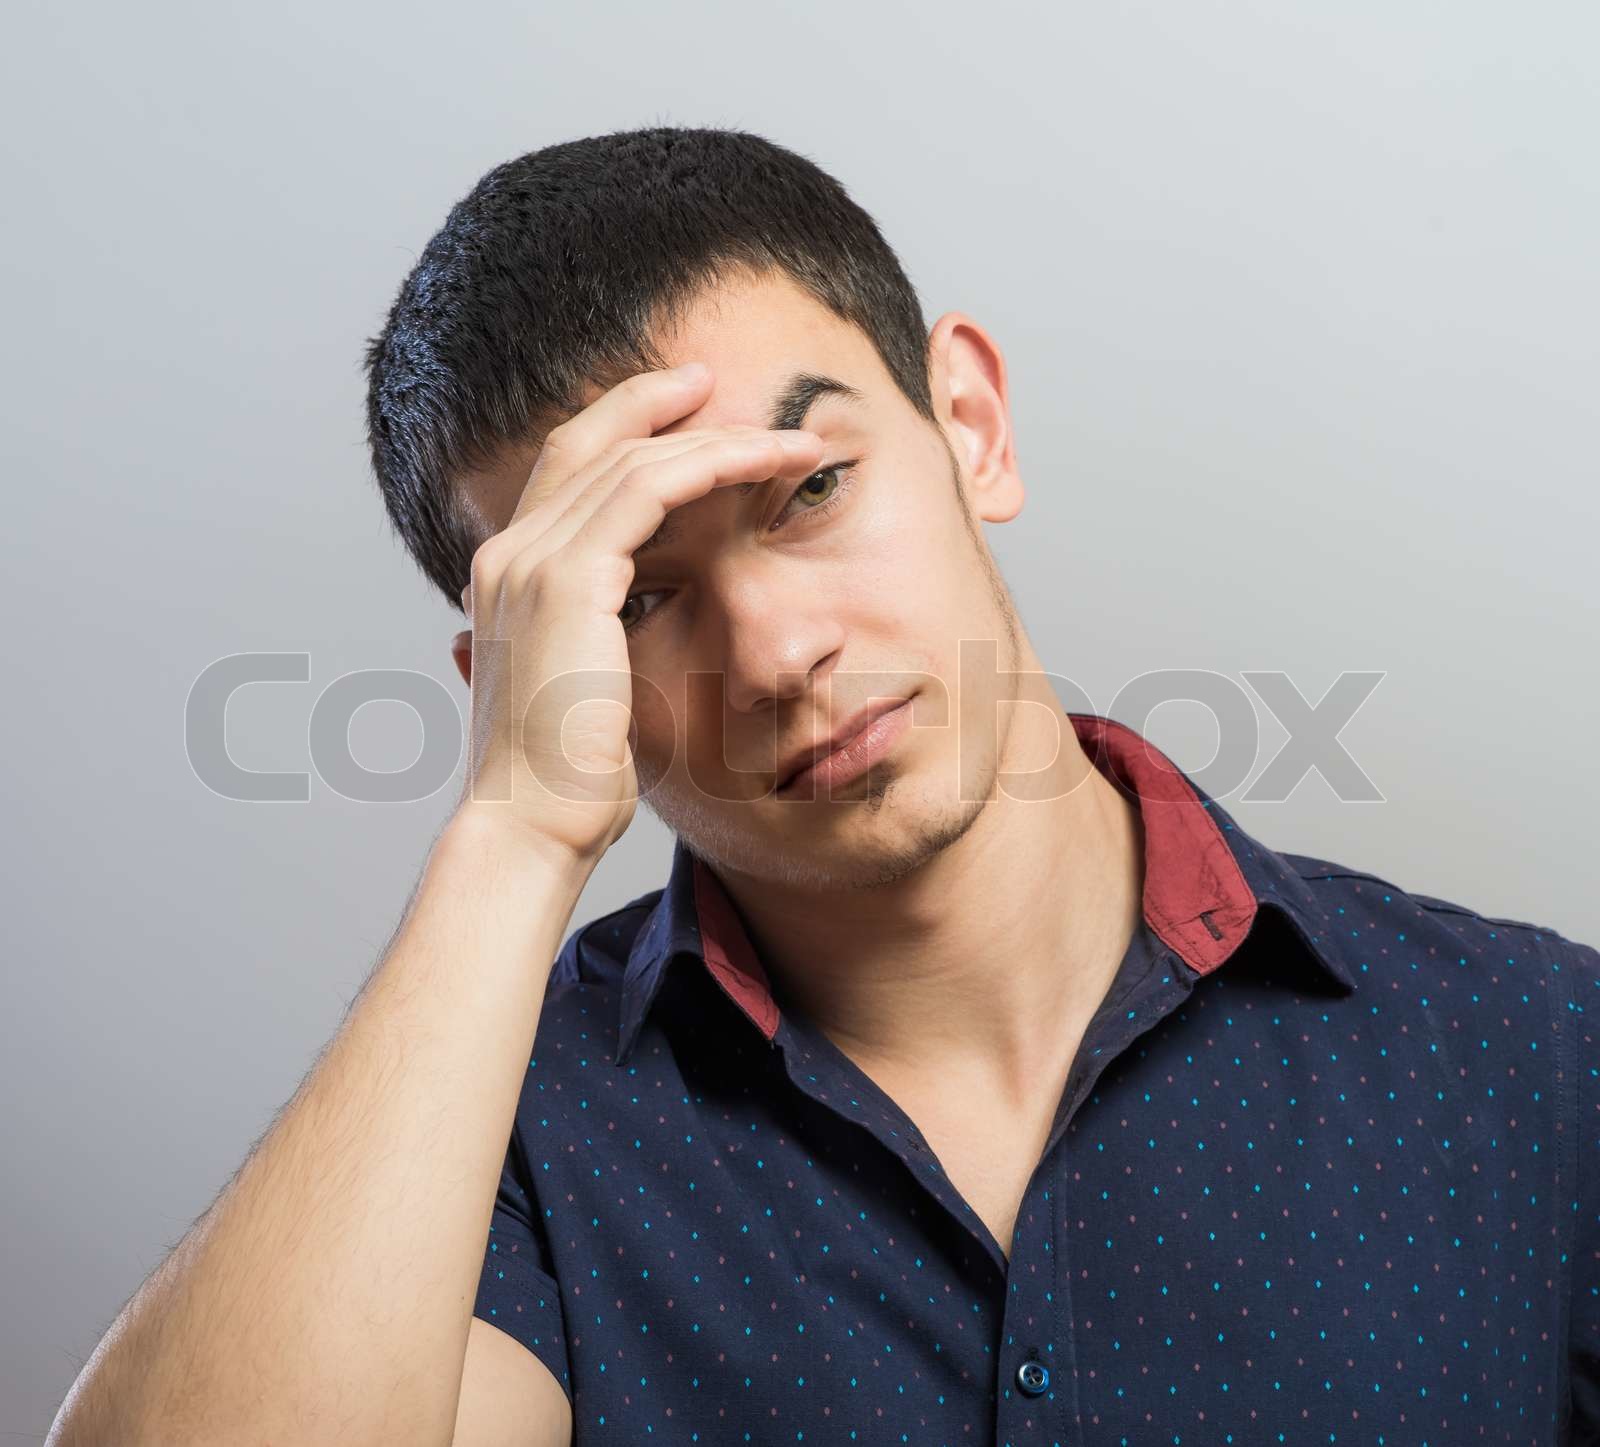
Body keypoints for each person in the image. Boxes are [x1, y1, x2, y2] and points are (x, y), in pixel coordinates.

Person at [47, 125, 1598, 1447]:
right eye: (638, 596)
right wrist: (515, 833)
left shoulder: (1540, 1051)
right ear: (528, 672)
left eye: (813, 489)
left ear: (970, 427)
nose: (780, 651)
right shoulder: (500, 1165)